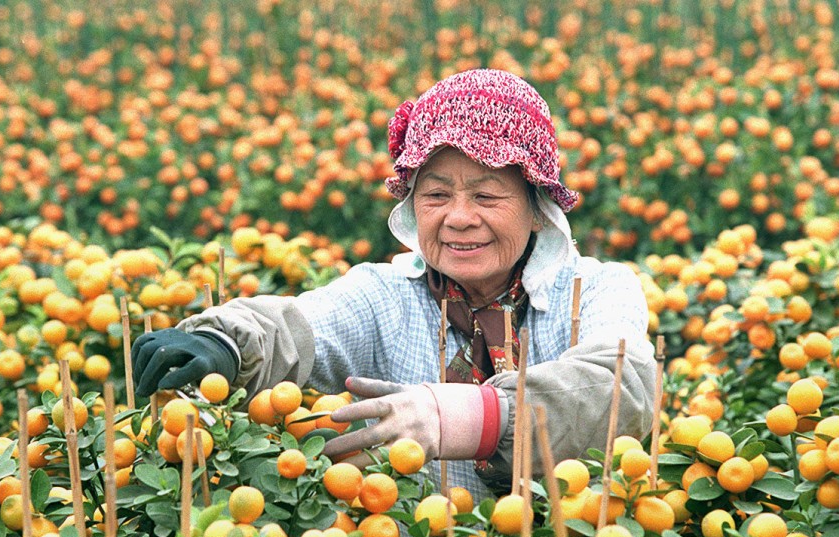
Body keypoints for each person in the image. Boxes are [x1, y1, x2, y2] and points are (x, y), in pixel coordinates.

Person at [131, 68, 656, 502]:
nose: (458, 218)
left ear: (537, 209)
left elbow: (623, 389)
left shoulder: (594, 291)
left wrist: (459, 416)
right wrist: (223, 342)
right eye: (436, 194)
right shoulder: (387, 296)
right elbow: (301, 327)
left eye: (488, 196)